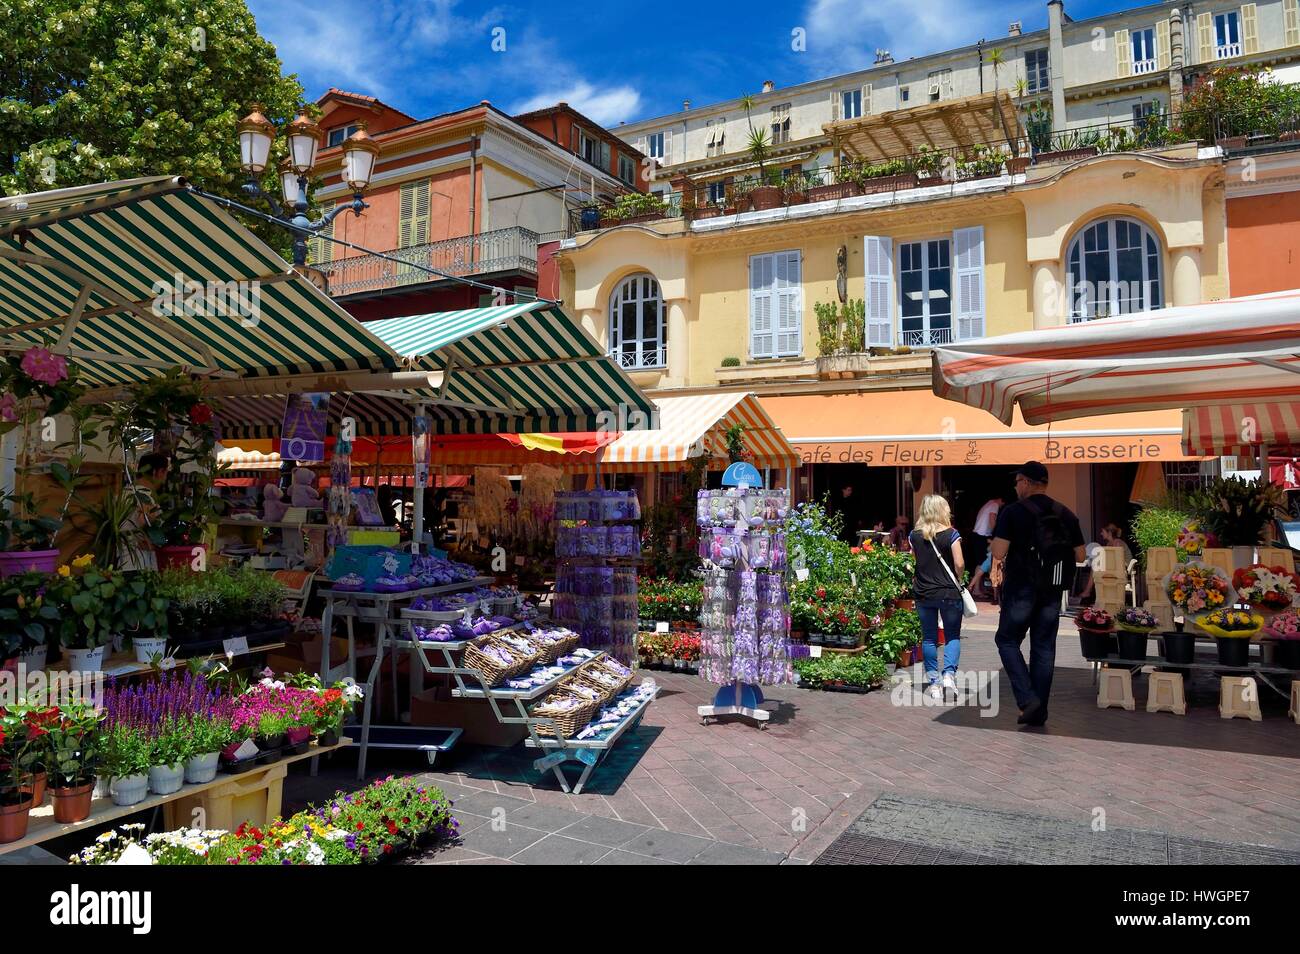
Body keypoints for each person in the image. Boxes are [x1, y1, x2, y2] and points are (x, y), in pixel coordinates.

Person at [990, 461, 1086, 727]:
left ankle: (1028, 700)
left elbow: (998, 553)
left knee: (1007, 640)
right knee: (1044, 648)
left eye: (1018, 481)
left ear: (1028, 482)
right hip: (1052, 591)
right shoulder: (1065, 513)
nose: (1015, 486)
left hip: (1021, 588)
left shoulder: (1012, 512)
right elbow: (1080, 555)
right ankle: (1039, 711)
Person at [909, 494, 966, 703]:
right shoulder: (951, 534)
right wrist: (958, 578)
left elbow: (916, 563)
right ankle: (949, 675)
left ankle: (933, 684)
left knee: (930, 637)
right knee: (952, 636)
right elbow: (959, 564)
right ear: (943, 510)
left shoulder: (914, 536)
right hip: (949, 592)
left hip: (924, 592)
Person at [119, 452, 171, 570]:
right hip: (140, 563)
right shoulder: (147, 499)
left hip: (120, 560)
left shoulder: (123, 493)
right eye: (165, 472)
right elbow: (153, 535)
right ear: (157, 472)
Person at [1078, 523, 1134, 602]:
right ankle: (1093, 594)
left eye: (1103, 531)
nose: (1101, 534)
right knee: (1096, 564)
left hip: (1123, 568)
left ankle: (1088, 591)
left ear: (1109, 533)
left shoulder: (1117, 543)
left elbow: (1117, 560)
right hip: (1114, 567)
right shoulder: (1109, 544)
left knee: (1096, 565)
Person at [967, 495, 1002, 601]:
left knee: (982, 564)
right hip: (981, 536)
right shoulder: (995, 505)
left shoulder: (988, 503)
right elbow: (992, 521)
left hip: (979, 536)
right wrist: (997, 534)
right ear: (1002, 500)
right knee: (982, 564)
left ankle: (978, 588)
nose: (1001, 506)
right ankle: (976, 589)